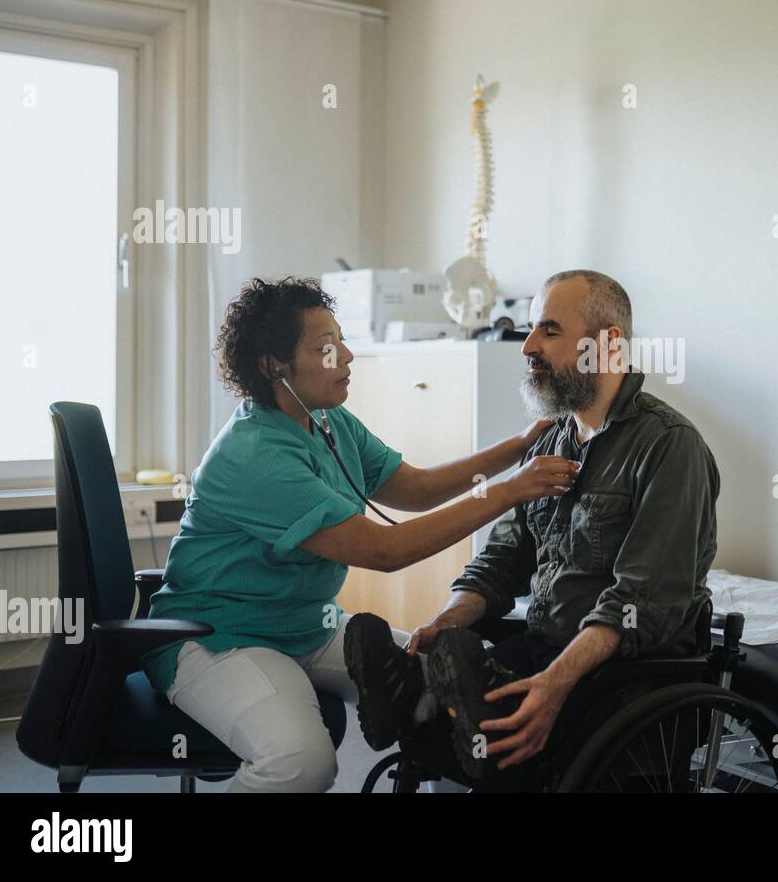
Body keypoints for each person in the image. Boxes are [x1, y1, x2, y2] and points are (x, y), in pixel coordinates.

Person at [139, 276, 578, 792]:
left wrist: (517, 448)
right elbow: (384, 550)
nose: (347, 357)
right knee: (301, 762)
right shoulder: (253, 455)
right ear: (272, 366)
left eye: (341, 340)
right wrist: (509, 492)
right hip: (220, 640)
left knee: (460, 691)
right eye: (326, 348)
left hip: (306, 626)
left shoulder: (325, 420)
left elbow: (414, 487)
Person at [345, 270, 720, 789]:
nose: (526, 347)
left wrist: (556, 683)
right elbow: (500, 564)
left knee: (482, 713)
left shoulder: (669, 448)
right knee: (452, 673)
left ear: (607, 345)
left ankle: (438, 701)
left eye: (548, 330)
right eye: (530, 329)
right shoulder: (551, 443)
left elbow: (643, 600)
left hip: (624, 676)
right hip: (541, 648)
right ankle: (419, 690)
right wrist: (447, 621)